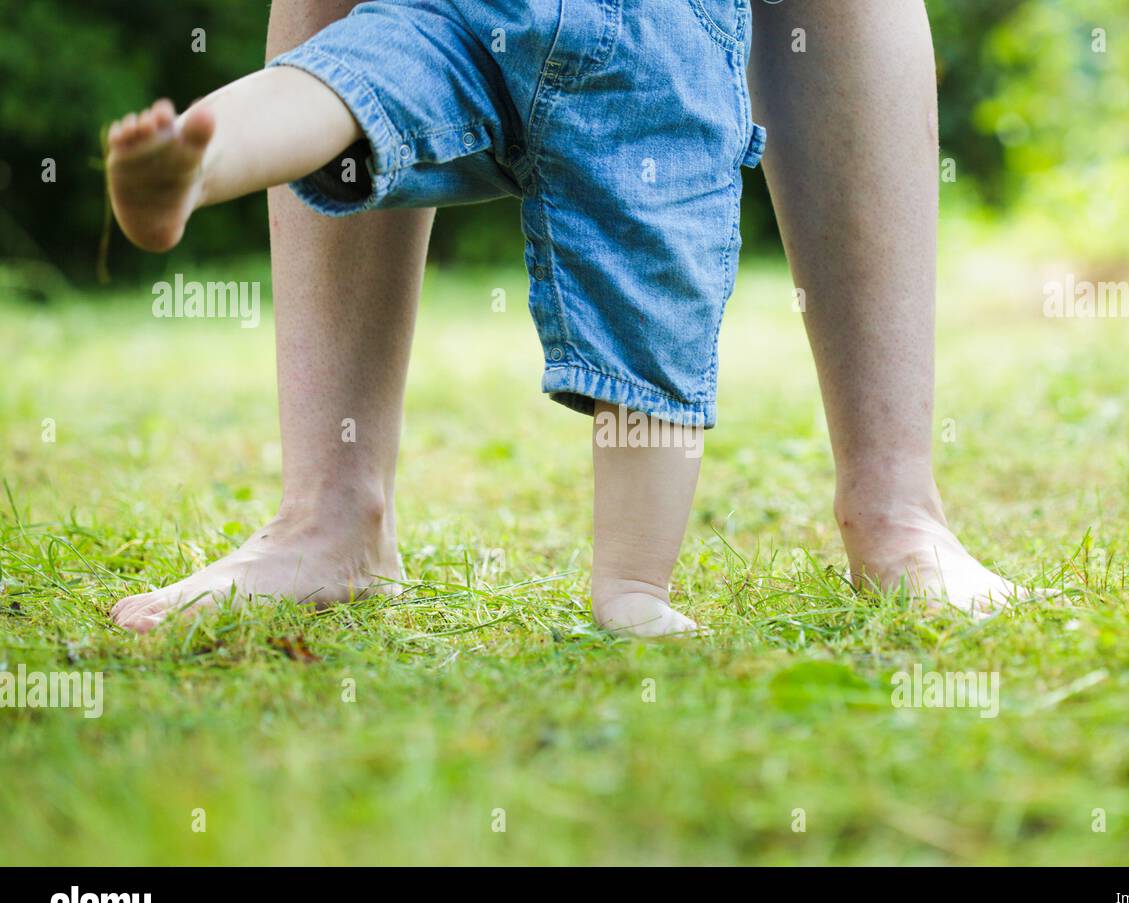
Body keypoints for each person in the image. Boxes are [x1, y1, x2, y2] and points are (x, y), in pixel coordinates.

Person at [109, 0, 1024, 635]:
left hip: (525, 23)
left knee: (356, 80)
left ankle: (204, 155)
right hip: (638, 37)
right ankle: (623, 585)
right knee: (651, 290)